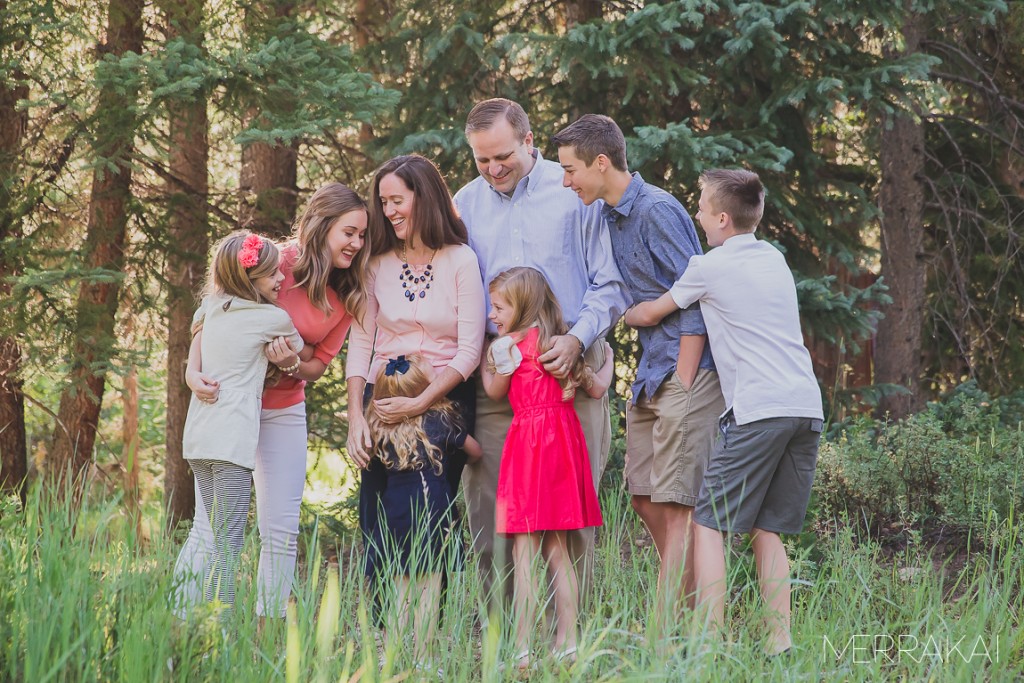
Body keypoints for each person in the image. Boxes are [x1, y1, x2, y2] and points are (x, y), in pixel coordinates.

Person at [624, 169, 824, 656]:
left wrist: (620, 312)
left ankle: (708, 640)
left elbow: (654, 314)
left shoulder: (708, 265)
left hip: (757, 409)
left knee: (708, 522)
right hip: (805, 405)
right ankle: (780, 641)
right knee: (765, 526)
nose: (694, 214)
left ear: (721, 218)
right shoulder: (773, 258)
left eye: (699, 206)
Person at [552, 114, 724, 643]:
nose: (565, 181)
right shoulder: (605, 216)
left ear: (601, 163)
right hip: (649, 373)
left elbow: (694, 292)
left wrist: (687, 380)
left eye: (570, 169)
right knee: (644, 496)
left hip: (683, 372)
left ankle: (666, 633)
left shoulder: (657, 211)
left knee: (675, 505)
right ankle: (692, 613)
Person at [453, 98, 630, 609]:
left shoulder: (574, 189)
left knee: (568, 514)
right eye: (482, 160)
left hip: (569, 368)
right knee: (491, 511)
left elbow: (610, 283)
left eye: (503, 155)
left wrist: (577, 339)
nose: (493, 169)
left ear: (529, 141)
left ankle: (569, 642)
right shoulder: (467, 202)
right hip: (500, 374)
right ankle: (505, 641)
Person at [186, 182, 369, 622]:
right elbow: (212, 311)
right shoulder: (275, 262)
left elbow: (317, 364)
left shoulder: (345, 296)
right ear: (322, 226)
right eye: (349, 232)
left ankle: (269, 623)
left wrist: (293, 364)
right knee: (209, 527)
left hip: (283, 409)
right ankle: (188, 621)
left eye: (363, 235)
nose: (356, 243)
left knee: (281, 527)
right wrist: (191, 373)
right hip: (228, 406)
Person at [345, 155, 486, 613]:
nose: (388, 211)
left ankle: (426, 637)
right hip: (382, 398)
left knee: (428, 513)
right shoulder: (377, 263)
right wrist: (354, 417)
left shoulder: (461, 260)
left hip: (444, 398)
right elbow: (362, 339)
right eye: (383, 202)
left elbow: (470, 347)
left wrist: (422, 402)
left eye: (397, 200)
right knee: (378, 511)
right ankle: (386, 631)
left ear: (423, 197)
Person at [172, 232, 309, 620]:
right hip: (232, 442)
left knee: (212, 535)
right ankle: (222, 630)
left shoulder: (210, 308)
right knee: (229, 543)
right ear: (249, 281)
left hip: (199, 437)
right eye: (271, 276)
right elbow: (297, 348)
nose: (280, 280)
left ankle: (186, 619)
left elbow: (193, 368)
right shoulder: (273, 317)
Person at [481, 267, 612, 668]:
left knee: (524, 554)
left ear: (520, 306)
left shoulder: (508, 347)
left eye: (499, 307)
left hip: (527, 446)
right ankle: (567, 643)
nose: (492, 315)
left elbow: (493, 392)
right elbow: (600, 387)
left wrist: (497, 357)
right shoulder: (563, 344)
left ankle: (522, 650)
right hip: (562, 444)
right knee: (559, 551)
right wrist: (604, 362)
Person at [365, 354, 483, 667]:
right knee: (429, 587)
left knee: (400, 587)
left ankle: (392, 655)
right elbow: (476, 452)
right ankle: (424, 659)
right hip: (434, 511)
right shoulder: (441, 421)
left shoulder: (379, 428)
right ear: (423, 391)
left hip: (395, 514)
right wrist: (437, 391)